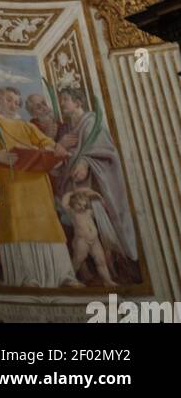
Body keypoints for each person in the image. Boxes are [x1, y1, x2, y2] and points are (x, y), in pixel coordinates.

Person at [0, 85, 76, 287]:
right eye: (9, 99)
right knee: (18, 227)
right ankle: (28, 278)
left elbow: (47, 143)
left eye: (17, 101)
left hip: (37, 185)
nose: (14, 104)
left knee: (48, 227)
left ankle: (63, 275)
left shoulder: (27, 126)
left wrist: (56, 150)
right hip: (10, 184)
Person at [55, 87, 138, 279]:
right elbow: (63, 160)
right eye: (61, 100)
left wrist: (84, 161)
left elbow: (107, 151)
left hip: (94, 187)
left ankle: (116, 269)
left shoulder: (91, 122)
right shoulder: (68, 129)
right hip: (74, 188)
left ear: (78, 102)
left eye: (66, 99)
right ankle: (88, 273)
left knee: (102, 229)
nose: (62, 103)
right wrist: (61, 152)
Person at [62, 187, 115, 287]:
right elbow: (65, 200)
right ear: (73, 204)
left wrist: (96, 194)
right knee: (78, 260)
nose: (82, 207)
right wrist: (75, 192)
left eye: (84, 205)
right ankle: (69, 278)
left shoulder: (88, 211)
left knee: (101, 260)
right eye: (79, 205)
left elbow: (102, 205)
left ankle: (107, 281)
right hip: (82, 241)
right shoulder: (72, 212)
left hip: (94, 241)